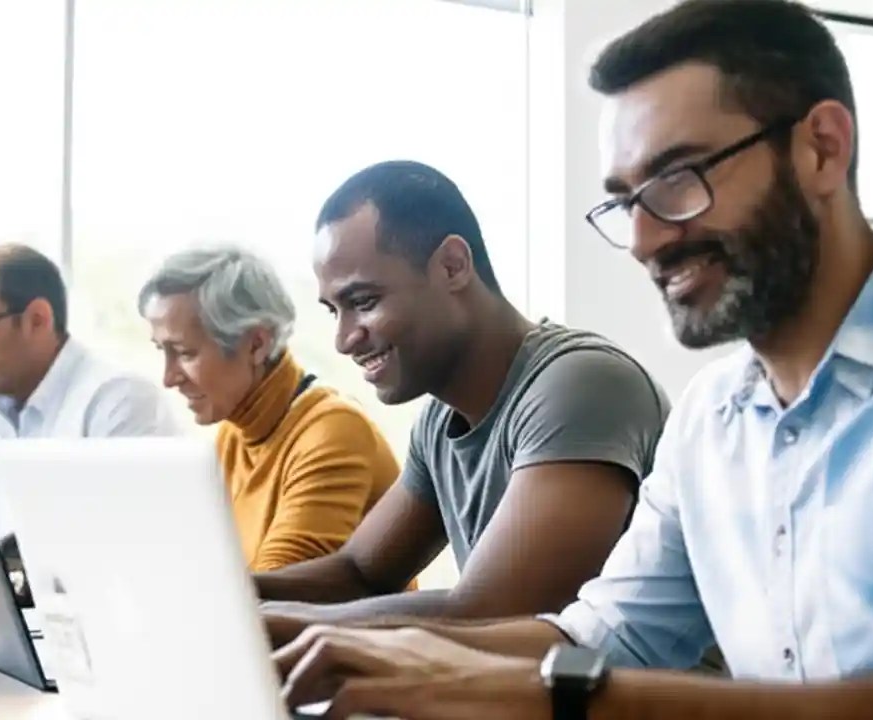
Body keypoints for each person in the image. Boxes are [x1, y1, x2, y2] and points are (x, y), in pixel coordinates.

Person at [270, 2, 873, 718]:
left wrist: (510, 687)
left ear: (821, 147)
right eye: (627, 203)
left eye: (679, 179)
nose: (645, 240)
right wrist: (330, 645)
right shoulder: (712, 420)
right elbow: (602, 634)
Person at [256, 160, 670, 648]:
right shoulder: (439, 419)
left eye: (364, 301)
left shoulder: (583, 383)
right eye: (334, 311)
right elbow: (361, 571)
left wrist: (263, 625)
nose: (344, 339)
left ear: (453, 265)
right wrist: (226, 593)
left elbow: (490, 615)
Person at [0, 244, 179, 618]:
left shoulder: (120, 402)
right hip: (8, 635)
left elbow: (127, 560)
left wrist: (0, 587)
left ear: (38, 319)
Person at [139, 245, 400, 571]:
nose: (168, 377)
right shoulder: (232, 436)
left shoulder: (334, 433)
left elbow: (275, 593)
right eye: (161, 351)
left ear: (256, 344)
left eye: (185, 352)